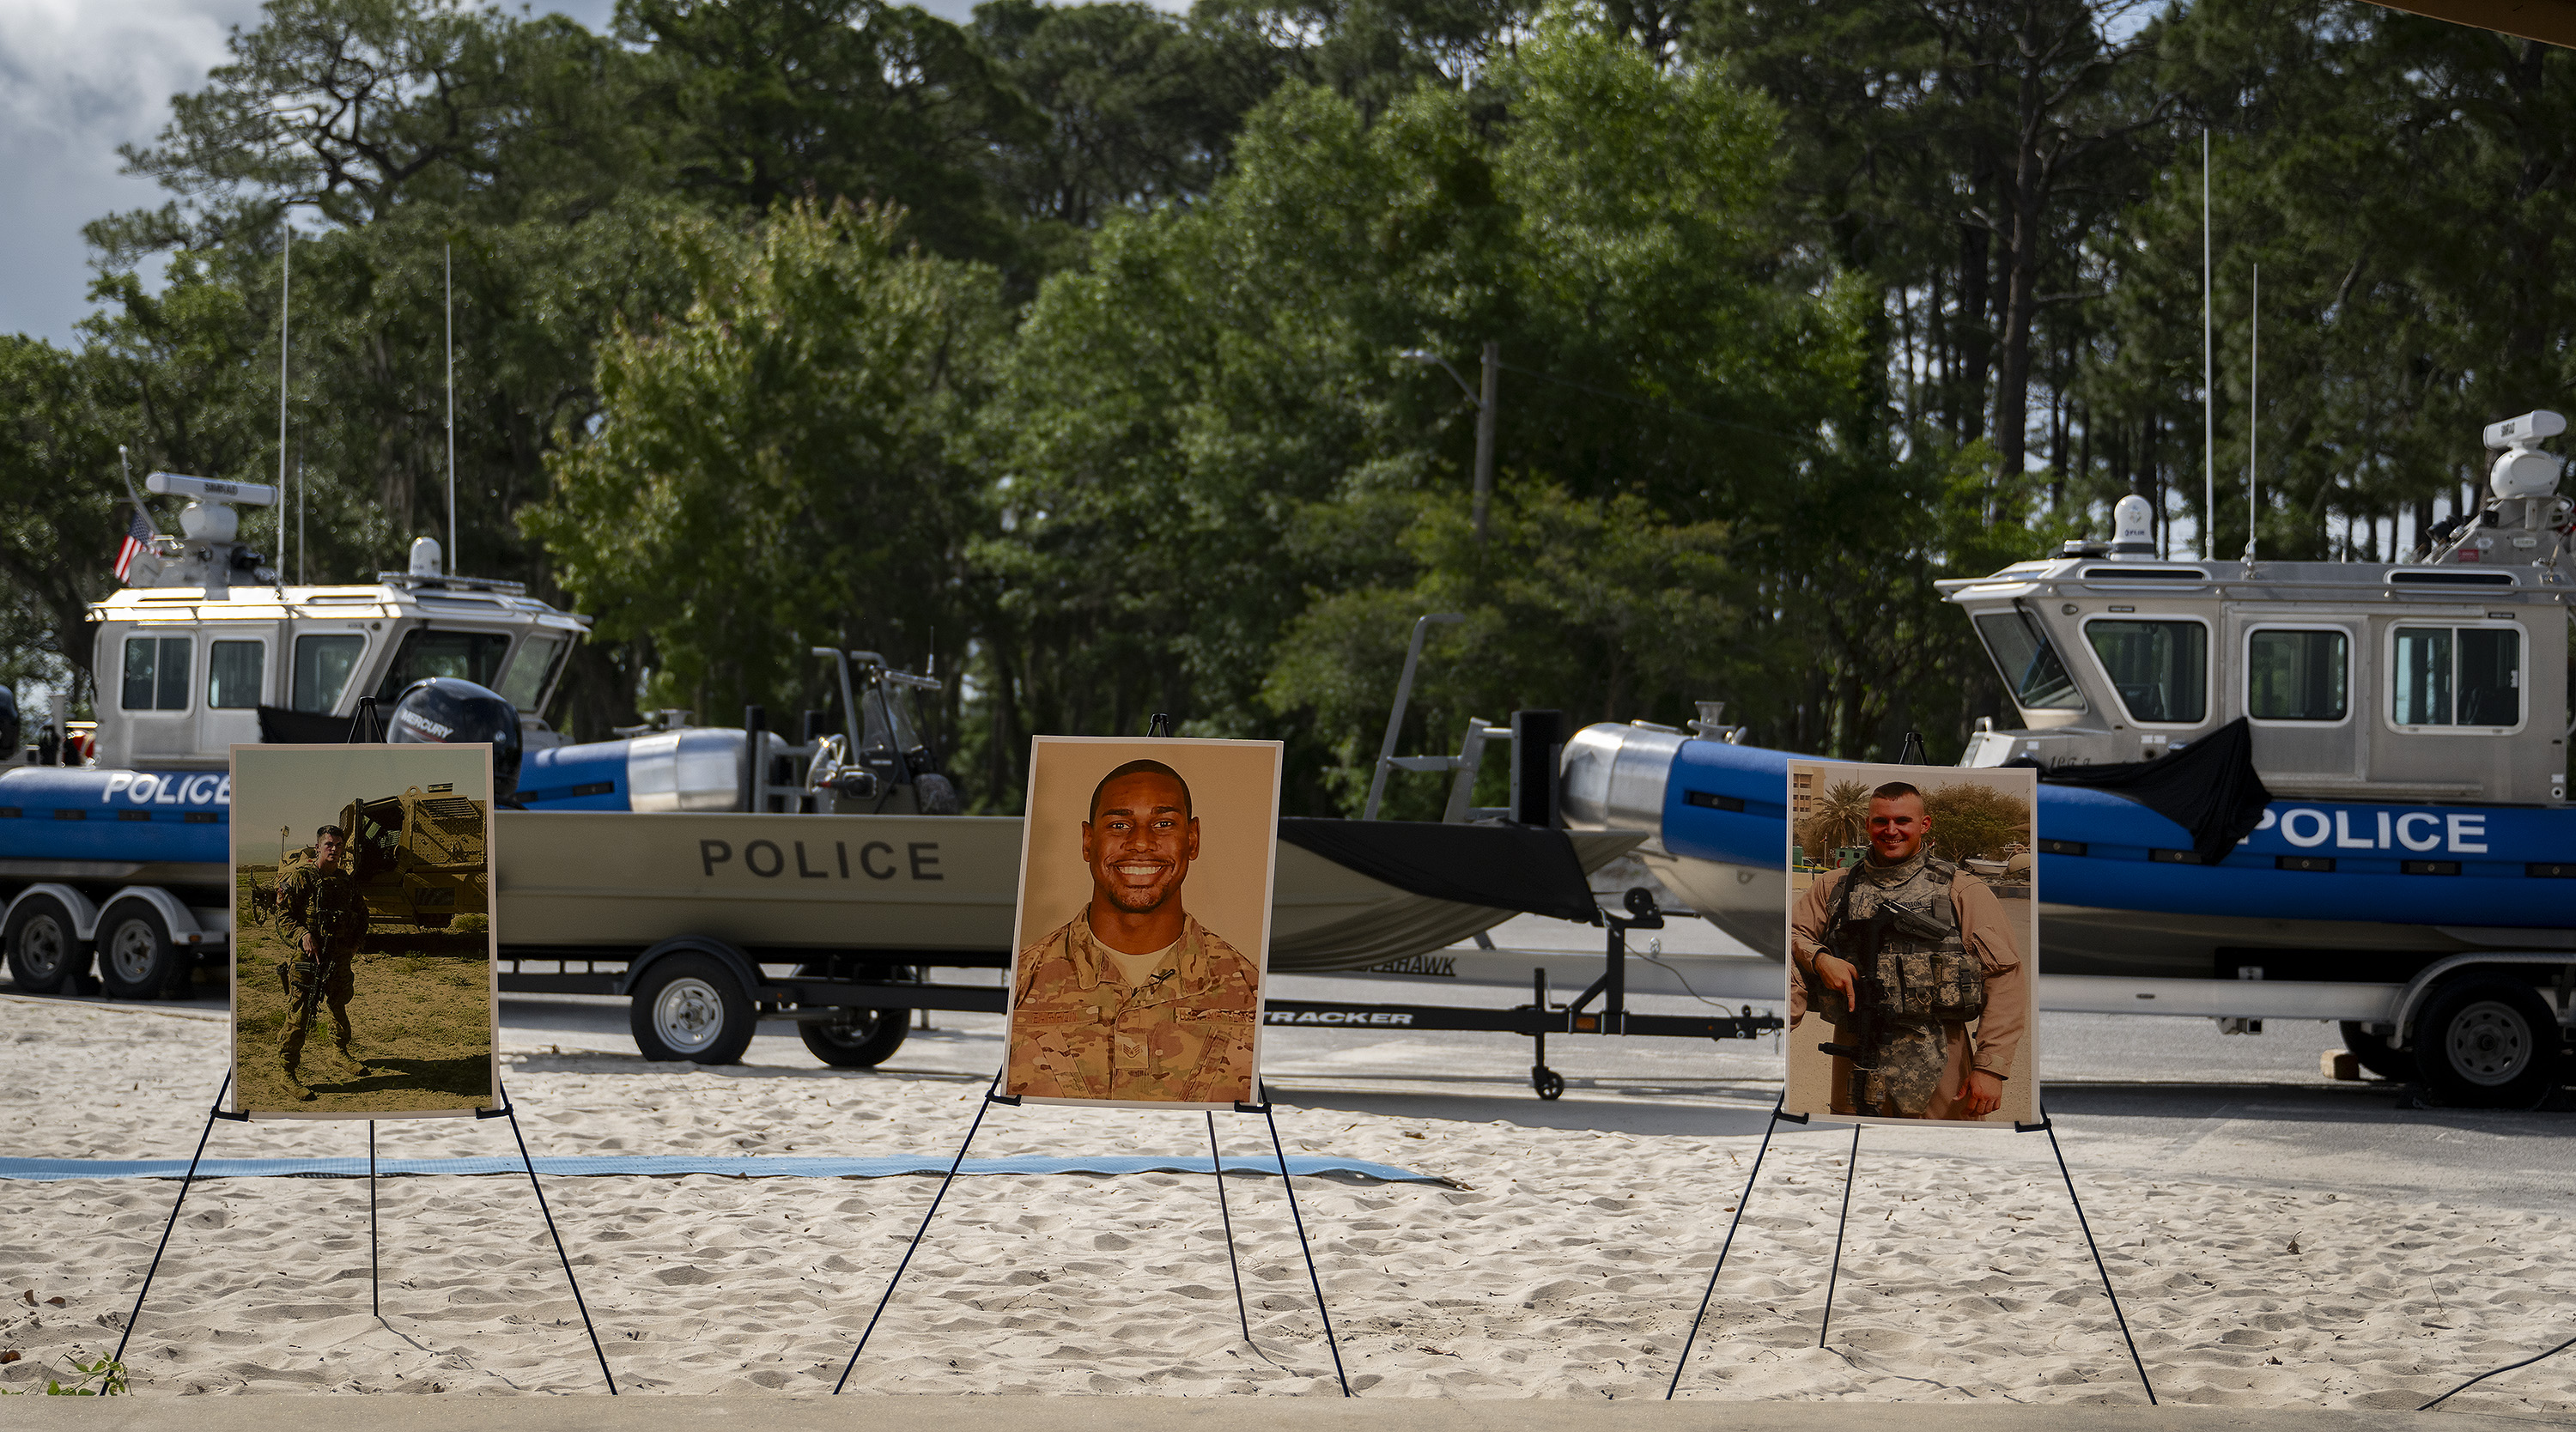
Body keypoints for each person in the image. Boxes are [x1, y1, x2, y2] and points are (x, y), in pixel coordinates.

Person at [1007, 760, 1261, 1102]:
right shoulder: (1024, 980)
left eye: (1164, 823)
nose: (1140, 842)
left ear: (1192, 839)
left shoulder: (1248, 990)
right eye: (1120, 824)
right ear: (1087, 841)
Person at [1789, 781, 2027, 1120]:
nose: (1891, 831)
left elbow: (2005, 981)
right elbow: (1788, 938)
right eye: (1880, 822)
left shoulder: (1961, 890)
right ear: (1867, 824)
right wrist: (1820, 958)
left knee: (1944, 1160)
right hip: (1856, 1049)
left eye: (1902, 821)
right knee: (1855, 1152)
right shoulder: (1833, 887)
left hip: (1941, 1057)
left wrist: (1990, 1068)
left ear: (1924, 825)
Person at [274, 823, 375, 1099]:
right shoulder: (301, 878)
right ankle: (286, 1071)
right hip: (308, 957)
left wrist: (355, 944)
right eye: (328, 844)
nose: (333, 849)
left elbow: (363, 915)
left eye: (338, 845)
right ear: (317, 846)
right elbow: (282, 917)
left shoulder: (345, 881)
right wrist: (303, 934)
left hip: (338, 956)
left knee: (339, 1002)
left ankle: (339, 1052)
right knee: (300, 1011)